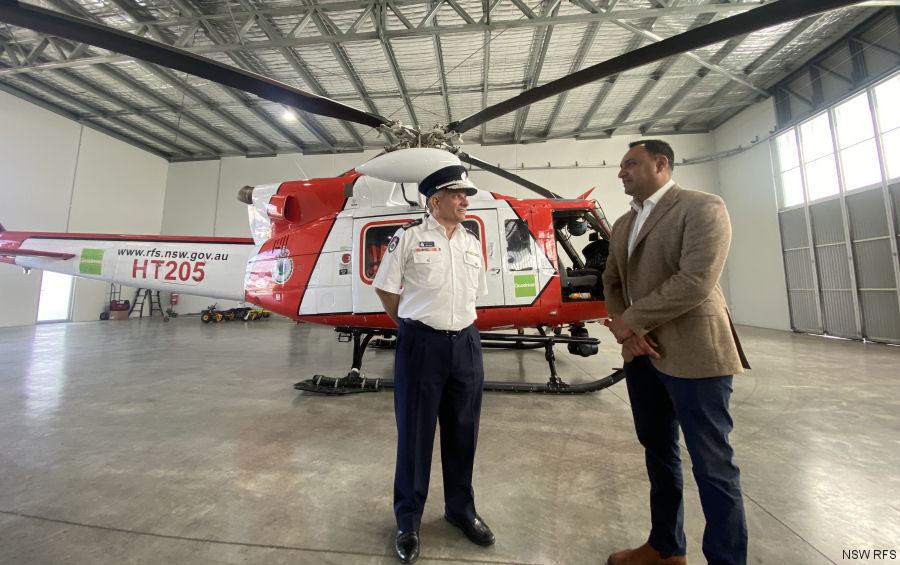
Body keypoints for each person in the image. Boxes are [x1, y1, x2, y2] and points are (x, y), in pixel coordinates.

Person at [601, 140, 750, 565]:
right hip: (641, 355)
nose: (621, 172)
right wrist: (626, 332)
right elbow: (612, 281)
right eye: (622, 165)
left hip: (695, 353)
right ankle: (666, 547)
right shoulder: (625, 223)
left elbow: (696, 281)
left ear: (661, 164)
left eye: (631, 164)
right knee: (659, 452)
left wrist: (632, 321)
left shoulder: (703, 207)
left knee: (712, 464)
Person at [373, 164, 494, 564]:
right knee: (415, 435)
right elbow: (387, 289)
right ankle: (408, 519)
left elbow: (477, 293)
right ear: (435, 199)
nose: (465, 200)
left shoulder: (472, 240)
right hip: (421, 344)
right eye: (458, 194)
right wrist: (413, 326)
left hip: (466, 346)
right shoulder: (407, 237)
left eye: (467, 195)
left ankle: (461, 509)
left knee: (464, 432)